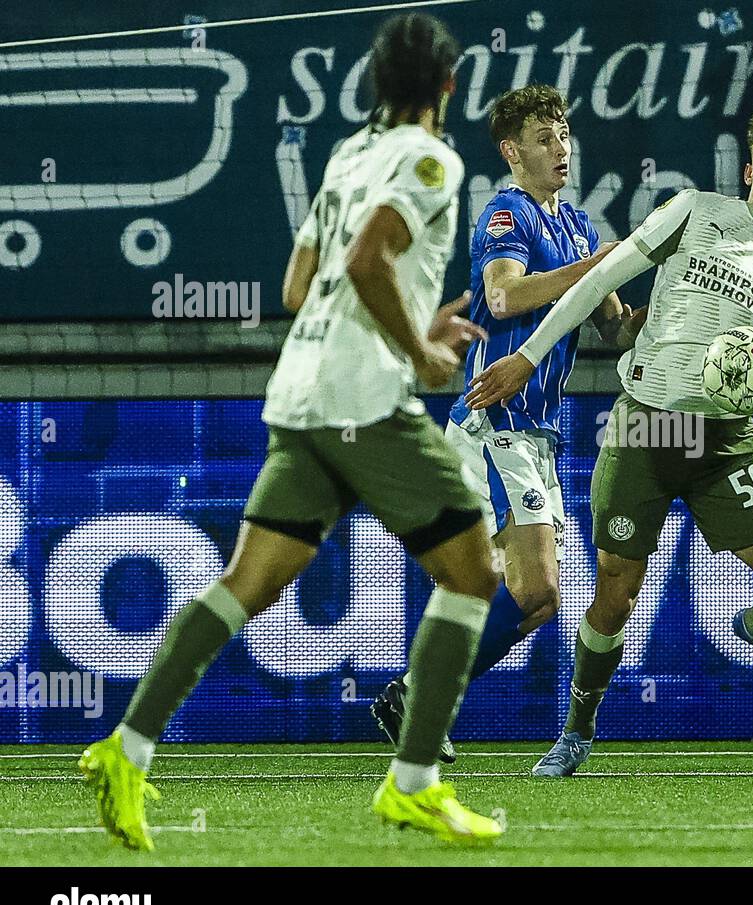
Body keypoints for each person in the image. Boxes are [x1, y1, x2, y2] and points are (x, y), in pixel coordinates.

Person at [78, 13, 502, 847]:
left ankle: (125, 747)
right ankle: (414, 782)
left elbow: (297, 279)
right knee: (473, 569)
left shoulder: (347, 154)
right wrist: (418, 349)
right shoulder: (431, 158)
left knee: (248, 581)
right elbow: (364, 263)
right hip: (359, 401)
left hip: (302, 387)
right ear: (448, 88)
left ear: (376, 85)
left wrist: (405, 320)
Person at [466, 97, 753, 776]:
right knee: (615, 594)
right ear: (750, 166)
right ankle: (577, 731)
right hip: (644, 426)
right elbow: (602, 279)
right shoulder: (696, 210)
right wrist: (527, 357)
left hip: (725, 441)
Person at [370, 84, 641, 758]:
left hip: (536, 436)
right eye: (546, 136)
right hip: (497, 423)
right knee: (539, 586)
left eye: (565, 133)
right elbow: (503, 291)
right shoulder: (505, 212)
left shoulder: (579, 227)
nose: (562, 146)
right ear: (512, 151)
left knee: (533, 599)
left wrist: (674, 299)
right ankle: (420, 697)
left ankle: (414, 698)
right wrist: (599, 266)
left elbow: (619, 333)